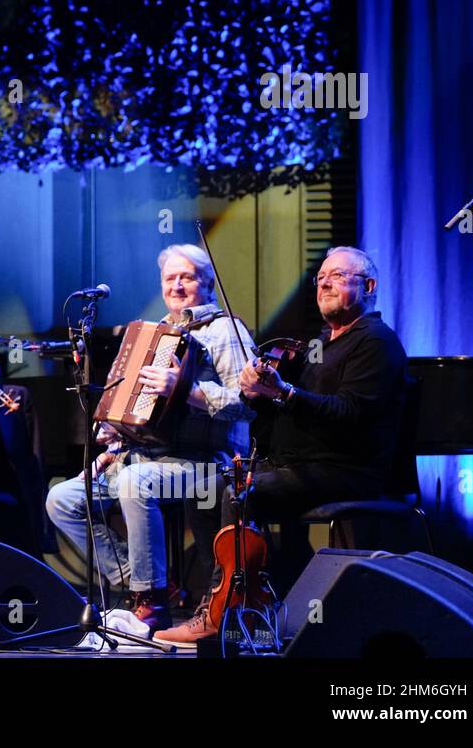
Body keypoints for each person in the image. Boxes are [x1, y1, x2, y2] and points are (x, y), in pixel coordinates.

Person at [154, 246, 407, 646]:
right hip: (296, 465)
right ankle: (223, 602)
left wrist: (285, 393)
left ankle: (233, 614)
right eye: (321, 277)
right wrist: (257, 390)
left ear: (369, 286)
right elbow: (281, 410)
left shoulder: (376, 342)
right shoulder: (320, 343)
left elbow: (349, 414)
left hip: (346, 470)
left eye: (338, 276)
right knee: (201, 492)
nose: (324, 283)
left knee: (238, 493)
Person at [44, 244, 256, 631]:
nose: (177, 285)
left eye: (187, 277)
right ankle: (140, 583)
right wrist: (114, 437)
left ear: (206, 284)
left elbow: (248, 405)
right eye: (170, 278)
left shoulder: (226, 331)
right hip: (150, 456)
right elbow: (140, 409)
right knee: (63, 499)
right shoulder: (156, 333)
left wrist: (187, 389)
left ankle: (151, 600)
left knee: (135, 482)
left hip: (211, 461)